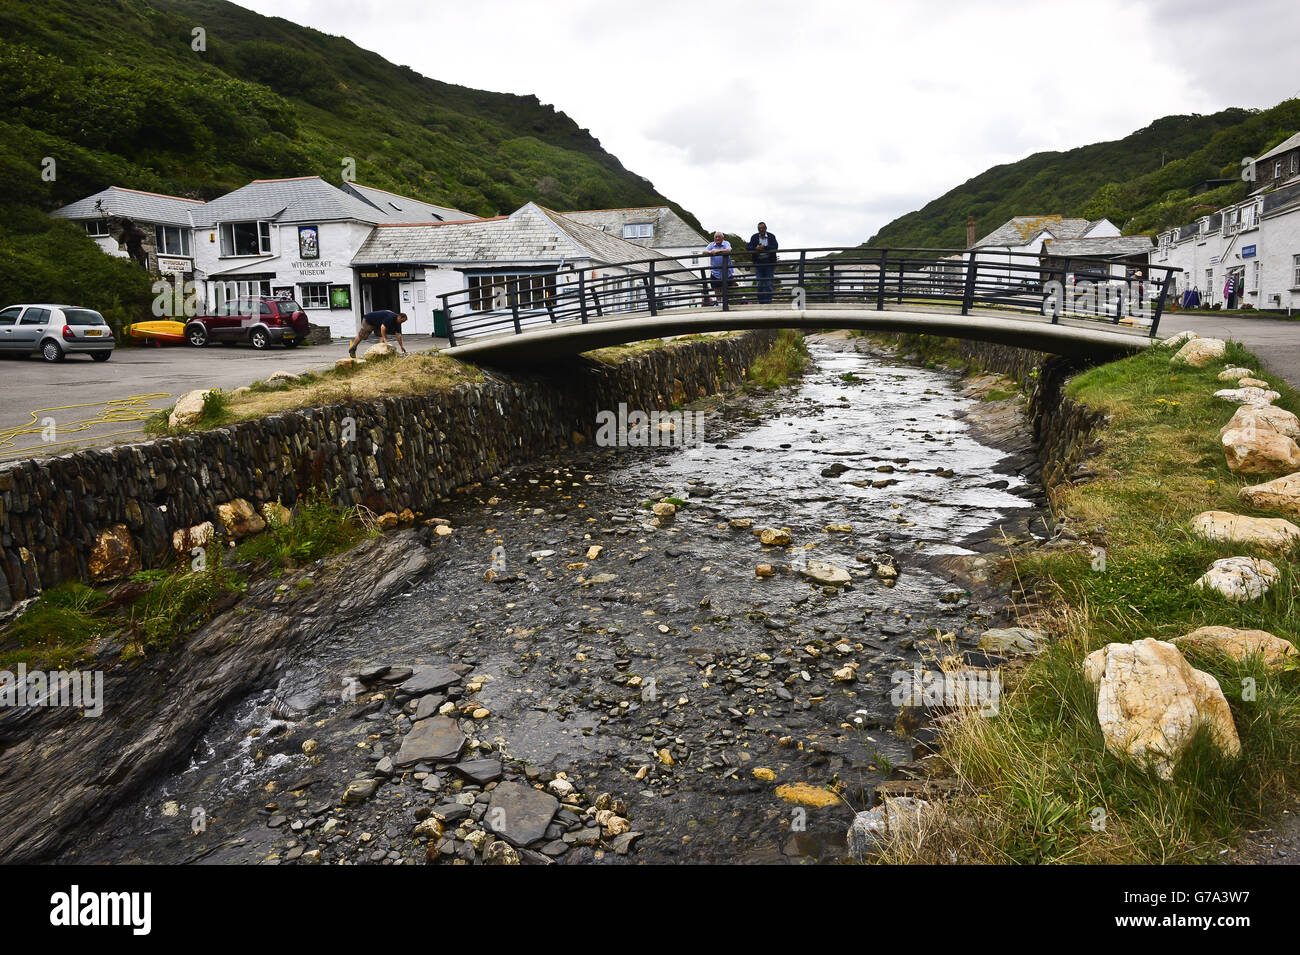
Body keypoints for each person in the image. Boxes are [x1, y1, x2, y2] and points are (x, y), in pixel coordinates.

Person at [746, 222, 779, 304]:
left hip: (769, 262)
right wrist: (755, 248)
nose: (761, 230)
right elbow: (748, 247)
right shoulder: (754, 237)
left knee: (769, 284)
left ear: (766, 228)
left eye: (762, 228)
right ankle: (761, 302)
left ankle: (768, 302)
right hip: (759, 262)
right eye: (759, 228)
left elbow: (775, 246)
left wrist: (764, 247)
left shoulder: (771, 236)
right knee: (759, 284)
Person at [702, 232, 734, 306]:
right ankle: (719, 303)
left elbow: (729, 250)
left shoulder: (726, 243)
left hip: (726, 271)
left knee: (725, 288)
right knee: (716, 288)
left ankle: (725, 303)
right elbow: (703, 252)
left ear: (722, 238)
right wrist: (710, 252)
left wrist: (718, 251)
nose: (717, 238)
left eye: (719, 237)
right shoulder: (711, 244)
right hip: (715, 271)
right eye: (716, 237)